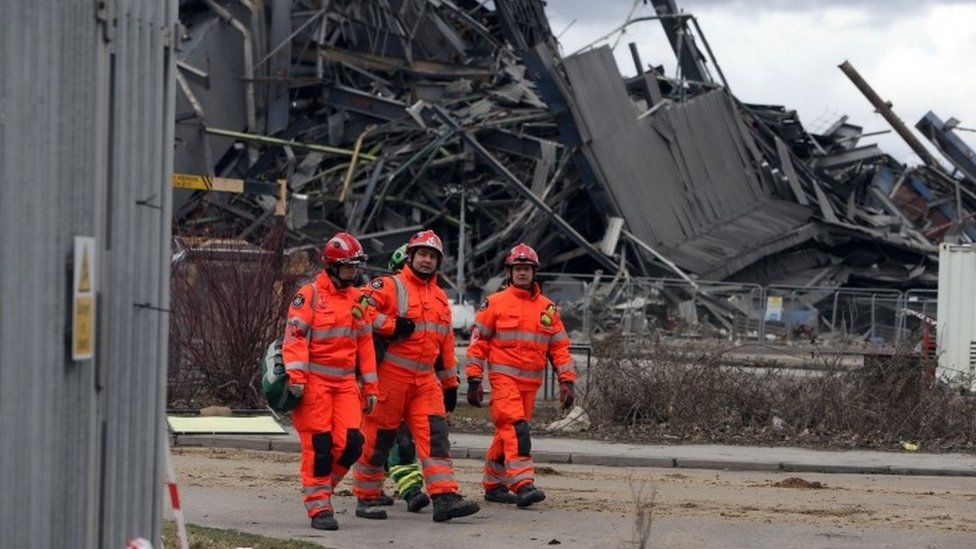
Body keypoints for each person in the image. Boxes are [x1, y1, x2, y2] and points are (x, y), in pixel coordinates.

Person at [352, 230, 480, 522]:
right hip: (389, 378)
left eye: (432, 256)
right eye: (422, 254)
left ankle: (444, 496)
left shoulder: (438, 297)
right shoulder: (388, 285)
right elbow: (358, 309)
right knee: (377, 440)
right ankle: (367, 496)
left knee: (436, 439)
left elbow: (445, 343)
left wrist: (450, 383)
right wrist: (391, 325)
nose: (426, 260)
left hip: (424, 382)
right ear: (410, 257)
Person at [464, 243, 575, 507]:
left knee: (507, 435)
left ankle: (493, 485)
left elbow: (560, 347)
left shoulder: (548, 309)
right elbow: (478, 343)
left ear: (534, 272)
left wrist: (567, 379)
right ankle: (523, 483)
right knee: (517, 430)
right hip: (504, 381)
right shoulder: (494, 303)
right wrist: (474, 378)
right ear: (509, 272)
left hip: (530, 385)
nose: (522, 273)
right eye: (518, 268)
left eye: (526, 268)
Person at [282, 232, 378, 531]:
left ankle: (323, 488)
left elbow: (365, 344)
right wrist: (296, 378)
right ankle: (319, 507)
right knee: (320, 446)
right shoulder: (309, 295)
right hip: (315, 384)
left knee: (352, 445)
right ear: (333, 266)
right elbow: (294, 338)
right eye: (348, 266)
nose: (353, 272)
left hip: (346, 385)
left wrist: (371, 387)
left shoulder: (358, 300)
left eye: (355, 267)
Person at [363, 244, 430, 513]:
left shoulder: (418, 302)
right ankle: (409, 489)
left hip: (401, 384)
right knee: (388, 440)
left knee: (392, 440)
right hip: (377, 385)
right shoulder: (382, 295)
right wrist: (392, 327)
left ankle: (379, 488)